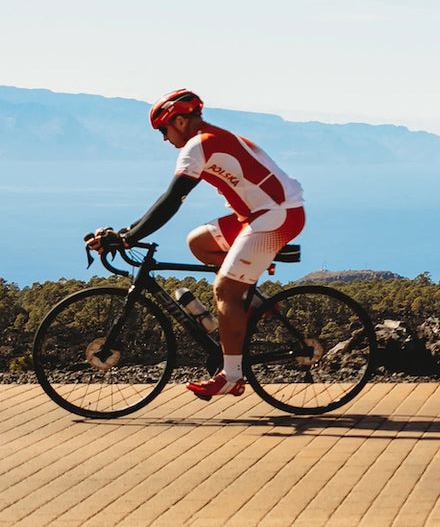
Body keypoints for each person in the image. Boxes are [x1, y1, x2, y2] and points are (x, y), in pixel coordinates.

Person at [86, 89, 305, 400]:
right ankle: (255, 300)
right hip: (261, 214)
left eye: (163, 130)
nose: (163, 138)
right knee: (199, 242)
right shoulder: (211, 137)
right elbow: (169, 201)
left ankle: (231, 376)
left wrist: (128, 238)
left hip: (275, 217)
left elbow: (172, 199)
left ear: (177, 120)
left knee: (224, 291)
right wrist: (126, 232)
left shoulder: (197, 147)